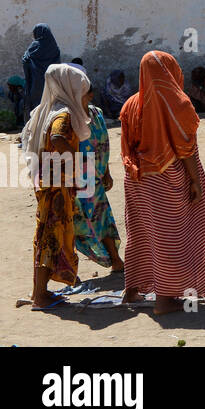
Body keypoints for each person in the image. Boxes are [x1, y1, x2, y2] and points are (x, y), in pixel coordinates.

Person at [119, 51, 205, 315]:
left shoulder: (131, 104)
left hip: (137, 180)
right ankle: (164, 298)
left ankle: (131, 290)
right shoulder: (179, 104)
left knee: (141, 233)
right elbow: (185, 149)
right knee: (173, 237)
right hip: (169, 179)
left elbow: (126, 145)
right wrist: (194, 181)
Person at [21, 63, 92, 309]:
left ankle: (37, 292)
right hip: (57, 184)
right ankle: (40, 296)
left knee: (43, 235)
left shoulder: (46, 110)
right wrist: (76, 157)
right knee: (51, 236)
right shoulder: (63, 114)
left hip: (47, 180)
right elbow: (58, 138)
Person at [73, 71, 123, 273]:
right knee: (73, 223)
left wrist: (107, 172)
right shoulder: (68, 117)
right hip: (74, 179)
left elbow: (103, 144)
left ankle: (116, 259)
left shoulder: (96, 114)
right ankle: (70, 271)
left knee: (102, 218)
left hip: (94, 178)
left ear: (90, 95)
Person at [22, 23, 61, 121]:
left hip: (36, 82)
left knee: (36, 106)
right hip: (52, 83)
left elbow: (25, 60)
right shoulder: (55, 47)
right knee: (50, 106)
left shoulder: (35, 45)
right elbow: (58, 65)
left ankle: (35, 129)